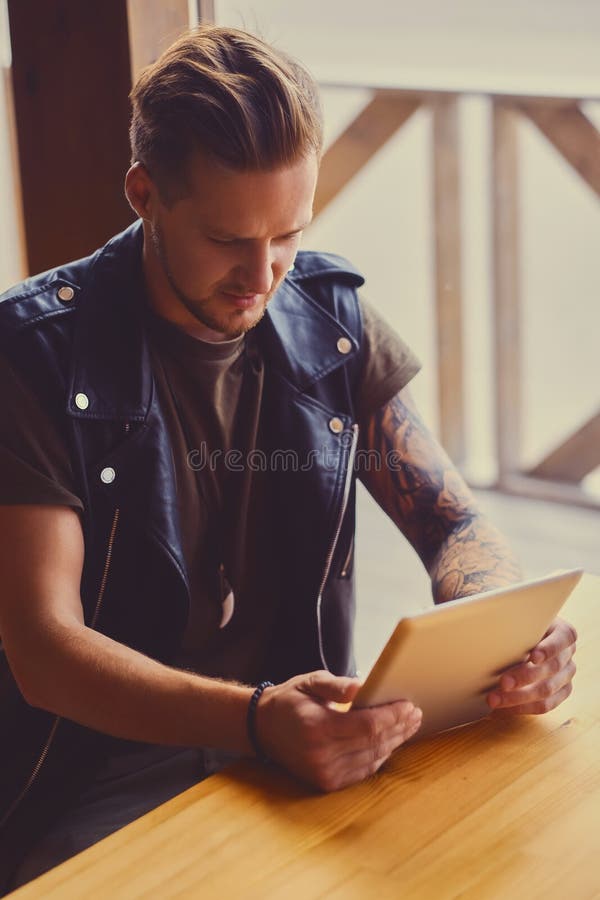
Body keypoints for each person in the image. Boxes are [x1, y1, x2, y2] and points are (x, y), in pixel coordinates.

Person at [0, 25, 577, 891]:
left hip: (300, 752)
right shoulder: (35, 355)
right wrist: (258, 720)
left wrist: (508, 632)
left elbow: (449, 517)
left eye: (289, 235)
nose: (263, 276)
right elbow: (45, 648)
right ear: (144, 194)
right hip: (95, 784)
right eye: (230, 239)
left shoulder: (328, 320)